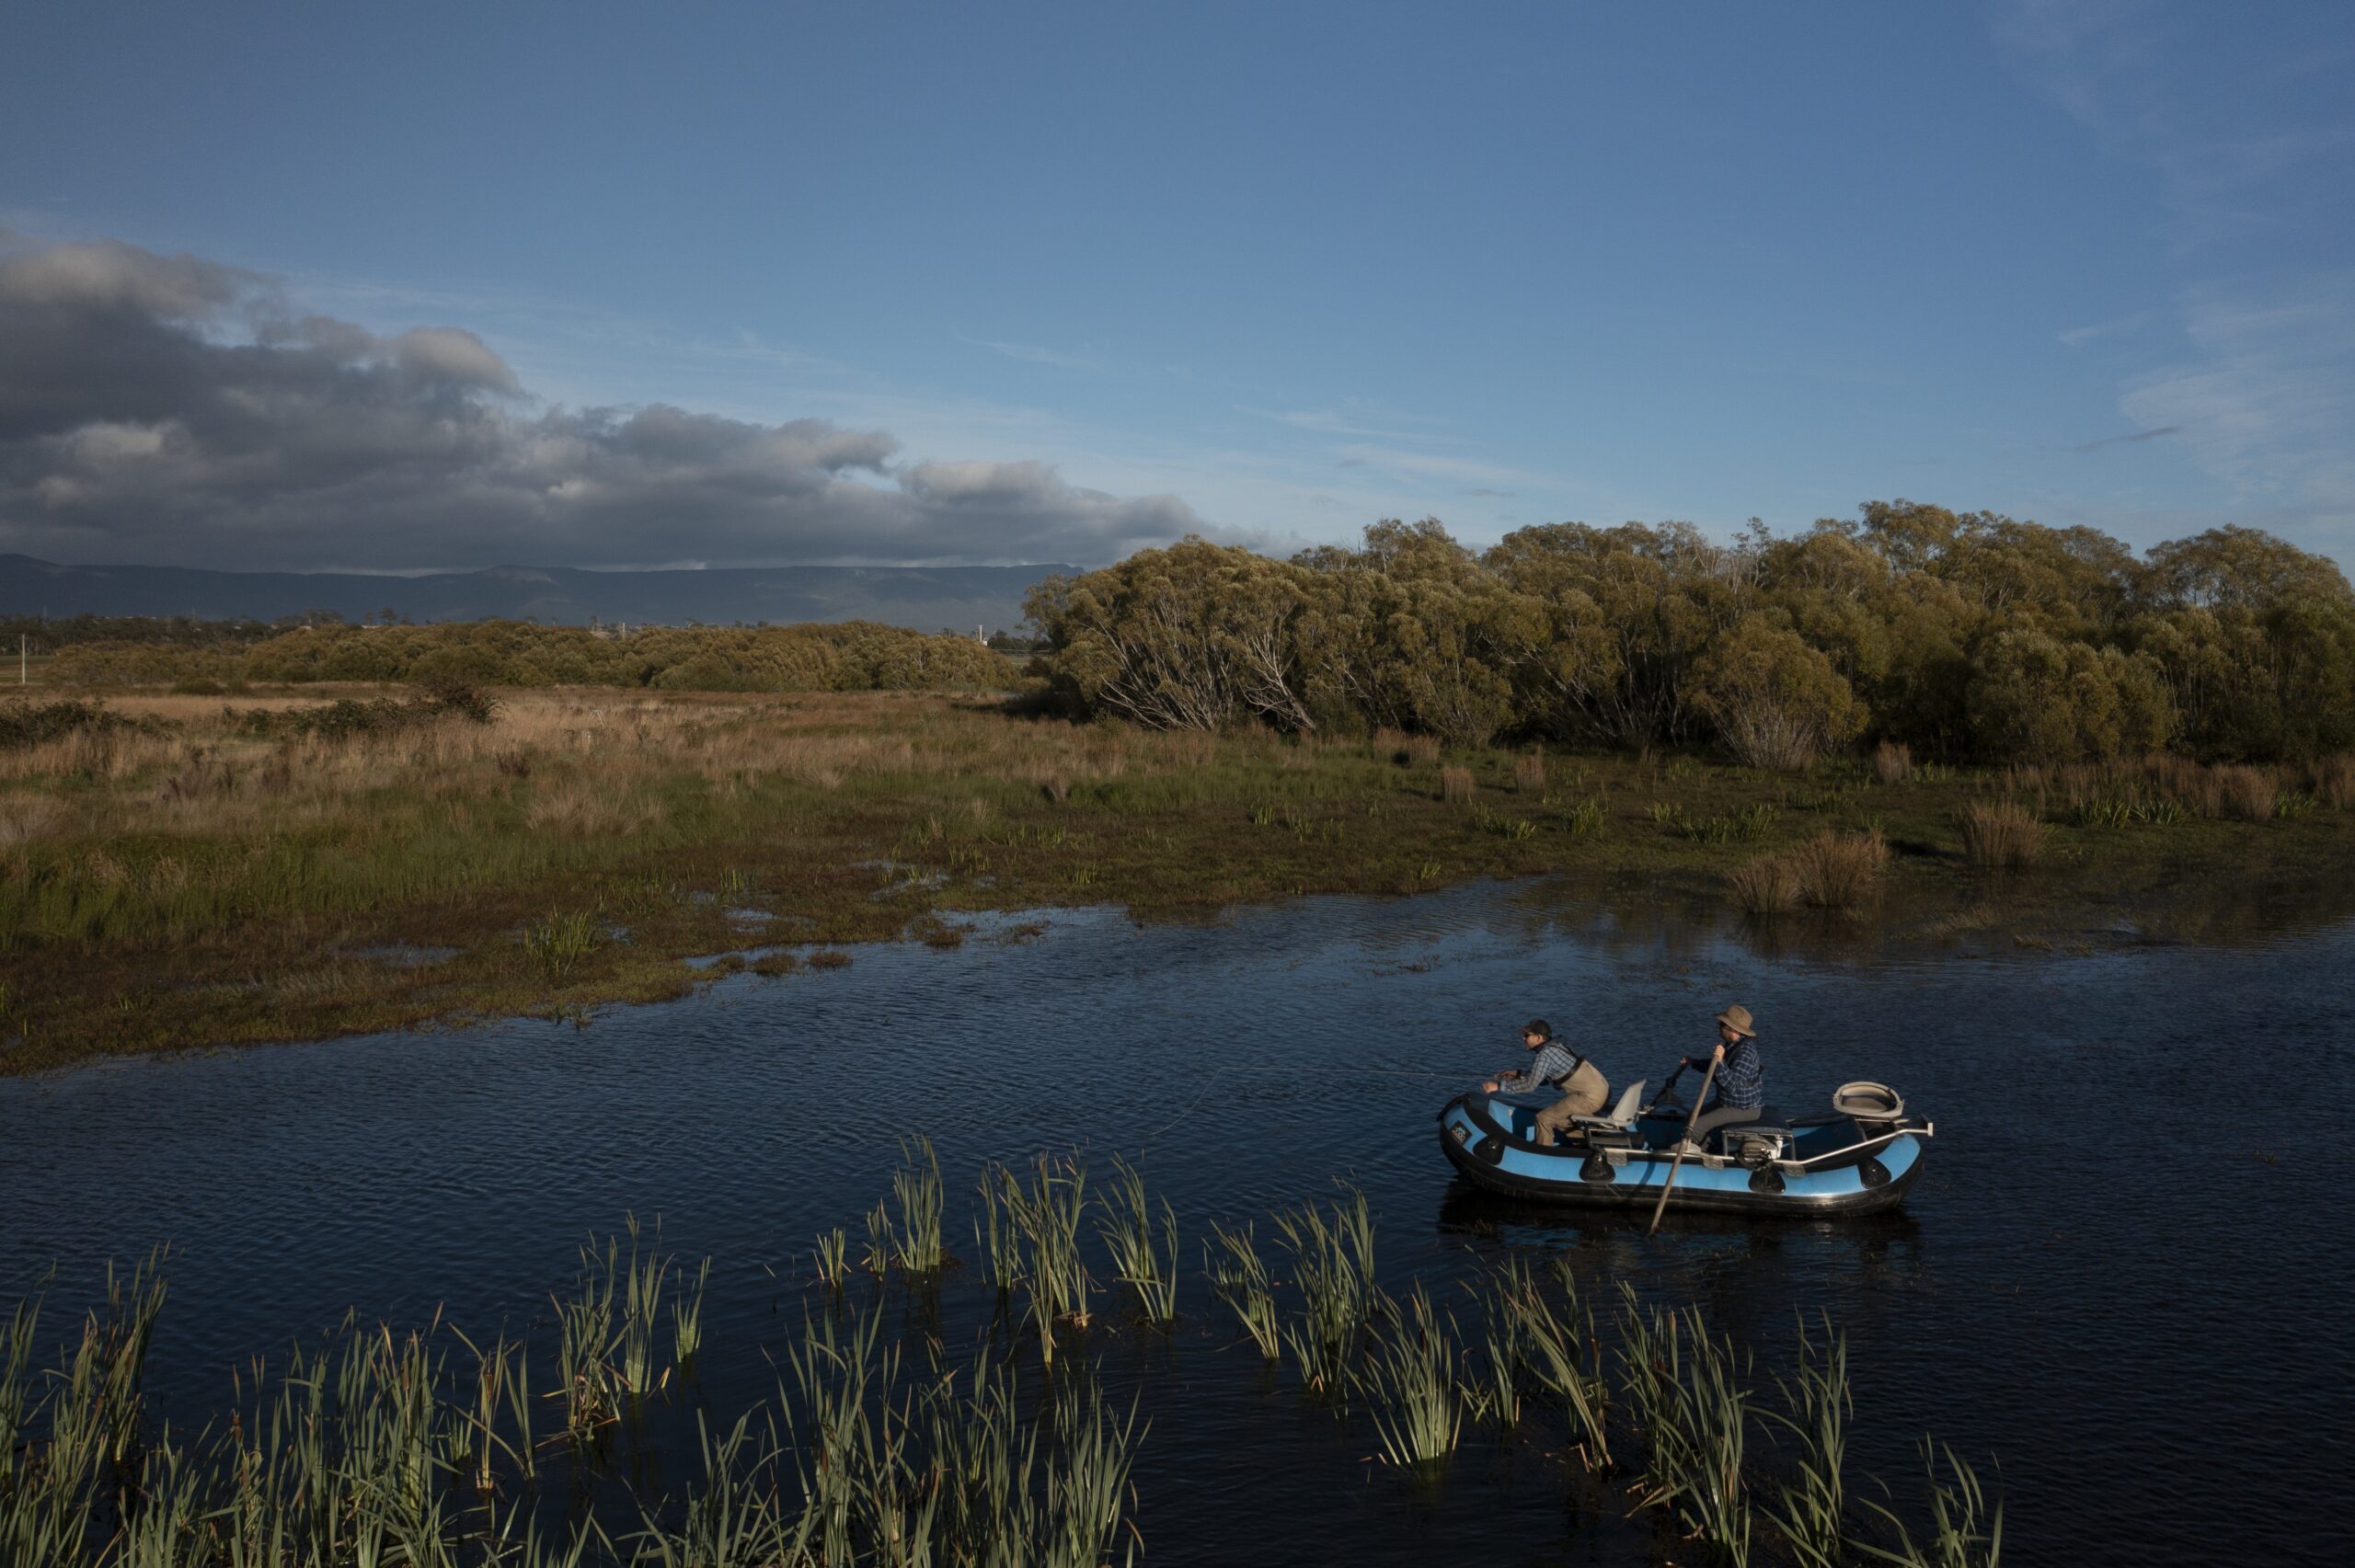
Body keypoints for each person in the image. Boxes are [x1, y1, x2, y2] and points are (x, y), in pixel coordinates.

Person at [1483, 1018, 1610, 1148]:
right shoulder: (1556, 1047)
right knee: (1559, 1118)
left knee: (1544, 1118)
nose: (1523, 1039)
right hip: (1600, 1091)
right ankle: (1583, 1146)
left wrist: (1498, 1086)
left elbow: (1530, 1086)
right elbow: (1541, 1080)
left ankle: (1542, 1153)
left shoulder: (1544, 1055)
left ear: (1538, 1038)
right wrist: (1518, 1074)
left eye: (1526, 1036)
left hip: (1589, 1097)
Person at [1681, 1003, 1765, 1144]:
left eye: (1721, 1024)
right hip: (1727, 1101)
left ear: (1731, 1029)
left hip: (1742, 1107)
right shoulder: (1731, 1045)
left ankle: (1696, 1153)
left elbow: (1733, 1085)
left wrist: (1720, 1062)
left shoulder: (1746, 1053)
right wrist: (1693, 1063)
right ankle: (1706, 1145)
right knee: (1691, 1117)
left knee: (1694, 1128)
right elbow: (1714, 1066)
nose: (1718, 1027)